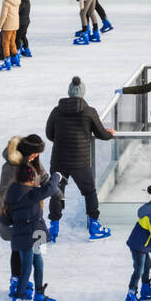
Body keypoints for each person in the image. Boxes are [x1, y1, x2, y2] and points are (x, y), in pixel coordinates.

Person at [45, 76, 115, 240]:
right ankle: (94, 226)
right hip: (80, 161)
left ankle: (53, 228)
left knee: (57, 192)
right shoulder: (89, 111)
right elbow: (101, 133)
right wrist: (110, 134)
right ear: (83, 93)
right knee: (89, 192)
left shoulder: (56, 111)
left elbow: (49, 134)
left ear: (69, 92)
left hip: (59, 160)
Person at [6, 165, 61, 301]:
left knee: (39, 263)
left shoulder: (13, 191)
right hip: (28, 235)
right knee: (27, 269)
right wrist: (56, 175)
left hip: (35, 233)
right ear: (30, 179)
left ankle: (39, 295)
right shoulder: (27, 193)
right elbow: (49, 190)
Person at [0, 133, 48, 295]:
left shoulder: (34, 164)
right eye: (35, 153)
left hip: (34, 217)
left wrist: (59, 196)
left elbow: (46, 180)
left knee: (35, 253)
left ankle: (30, 285)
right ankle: (17, 282)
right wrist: (25, 202)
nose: (37, 156)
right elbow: (5, 193)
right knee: (18, 249)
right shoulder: (12, 167)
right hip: (16, 217)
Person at [0, 0, 24, 72]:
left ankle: (7, 61)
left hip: (8, 25)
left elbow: (3, 16)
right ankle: (16, 59)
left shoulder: (6, 1)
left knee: (5, 43)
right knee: (12, 42)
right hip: (15, 24)